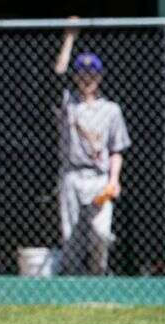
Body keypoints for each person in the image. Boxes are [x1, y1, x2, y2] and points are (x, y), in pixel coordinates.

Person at [52, 28, 129, 275]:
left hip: (98, 177)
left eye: (92, 75)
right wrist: (69, 38)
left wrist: (114, 179)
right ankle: (74, 285)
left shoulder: (111, 110)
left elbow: (117, 148)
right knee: (71, 236)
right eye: (82, 75)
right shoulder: (68, 103)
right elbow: (56, 78)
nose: (87, 80)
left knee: (101, 233)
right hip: (72, 174)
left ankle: (98, 277)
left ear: (100, 78)